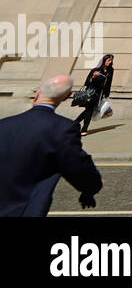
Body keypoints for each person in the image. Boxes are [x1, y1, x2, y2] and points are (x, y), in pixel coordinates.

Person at [0, 75, 102, 216]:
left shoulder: (4, 124)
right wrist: (89, 190)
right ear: (67, 97)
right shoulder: (62, 128)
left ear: (37, 94)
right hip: (25, 210)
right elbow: (77, 165)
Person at [73, 53, 114, 134]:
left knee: (88, 111)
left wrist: (107, 93)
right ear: (104, 61)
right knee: (89, 111)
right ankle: (84, 129)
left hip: (100, 94)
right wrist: (93, 77)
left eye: (111, 60)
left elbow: (109, 82)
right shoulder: (95, 70)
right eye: (108, 60)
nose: (110, 62)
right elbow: (87, 83)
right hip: (91, 93)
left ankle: (74, 123)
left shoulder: (111, 70)